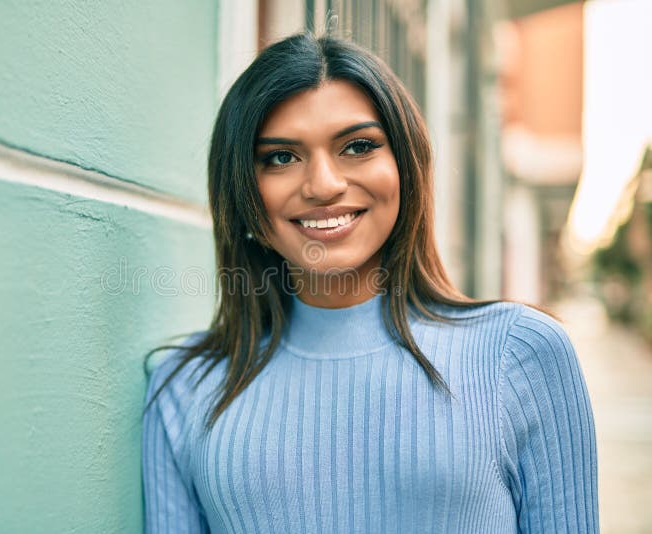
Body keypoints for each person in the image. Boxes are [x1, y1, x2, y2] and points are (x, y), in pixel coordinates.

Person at [141, 32, 598, 533]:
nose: (323, 185)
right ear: (243, 190)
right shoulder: (184, 387)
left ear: (405, 166)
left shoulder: (519, 354)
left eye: (358, 147)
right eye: (280, 157)